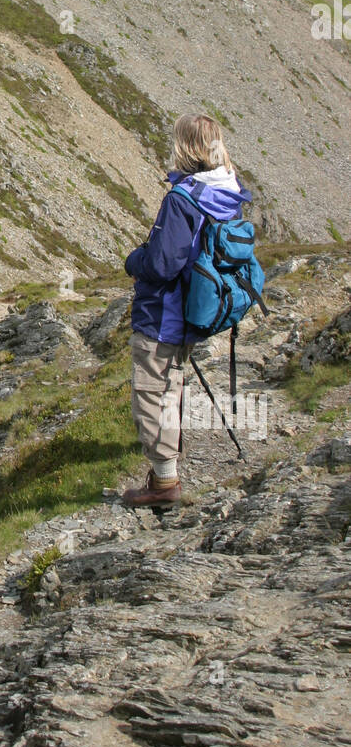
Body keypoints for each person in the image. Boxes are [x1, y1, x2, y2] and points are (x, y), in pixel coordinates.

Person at [121, 114, 251, 508]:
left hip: (164, 316)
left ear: (186, 147)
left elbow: (163, 264)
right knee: (170, 385)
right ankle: (167, 468)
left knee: (152, 390)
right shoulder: (228, 193)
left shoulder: (182, 199)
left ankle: (164, 485)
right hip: (196, 310)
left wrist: (134, 260)